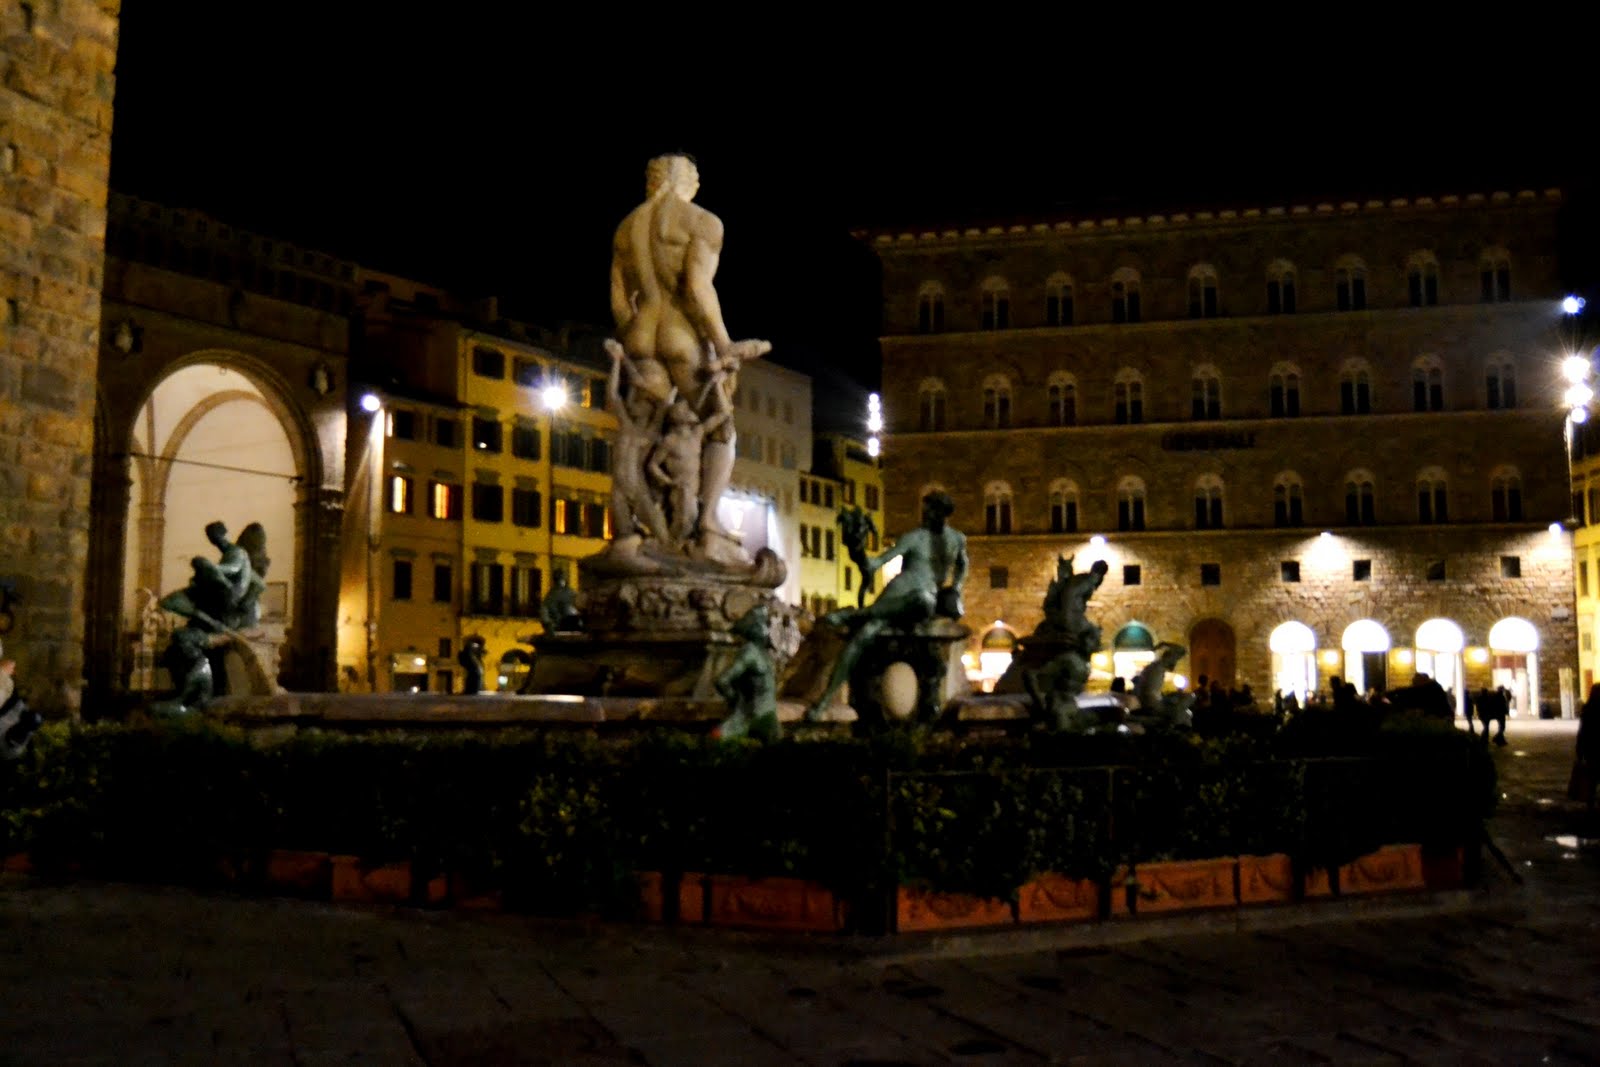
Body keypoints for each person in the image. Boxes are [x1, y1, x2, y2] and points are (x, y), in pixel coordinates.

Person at [609, 154, 770, 557]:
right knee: (720, 429)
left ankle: (645, 529)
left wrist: (632, 337)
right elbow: (698, 288)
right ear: (690, 182)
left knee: (642, 436)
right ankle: (708, 521)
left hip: (641, 335)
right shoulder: (702, 221)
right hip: (680, 335)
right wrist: (724, 343)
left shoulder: (627, 228)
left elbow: (617, 298)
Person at [804, 490, 968, 720]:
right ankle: (824, 701)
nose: (926, 515)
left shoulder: (957, 539)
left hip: (924, 597)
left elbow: (963, 564)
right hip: (898, 592)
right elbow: (876, 564)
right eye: (926, 510)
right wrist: (857, 549)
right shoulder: (913, 537)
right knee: (863, 636)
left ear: (943, 513)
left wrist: (956, 588)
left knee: (923, 600)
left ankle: (855, 615)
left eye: (931, 510)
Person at [1571, 683, 1600, 809]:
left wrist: (1580, 750)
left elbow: (1582, 731)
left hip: (1591, 749)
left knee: (1592, 780)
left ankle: (1591, 803)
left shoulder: (1587, 709)